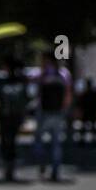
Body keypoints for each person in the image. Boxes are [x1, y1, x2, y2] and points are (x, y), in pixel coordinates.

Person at [33, 51, 73, 181]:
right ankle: (55, 170)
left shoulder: (41, 75)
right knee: (56, 142)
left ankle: (42, 162)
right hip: (58, 111)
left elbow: (37, 93)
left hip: (43, 111)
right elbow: (68, 95)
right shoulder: (64, 74)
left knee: (39, 139)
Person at [0, 56, 29, 181]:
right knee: (13, 142)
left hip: (4, 116)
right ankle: (11, 168)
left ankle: (6, 168)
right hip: (16, 117)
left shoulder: (1, 82)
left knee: (4, 142)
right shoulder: (22, 81)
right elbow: (26, 100)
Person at [77, 76, 96, 145]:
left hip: (89, 111)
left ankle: (87, 140)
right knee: (89, 127)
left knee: (88, 127)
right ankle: (91, 140)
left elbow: (80, 103)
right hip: (90, 111)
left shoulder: (86, 93)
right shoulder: (91, 93)